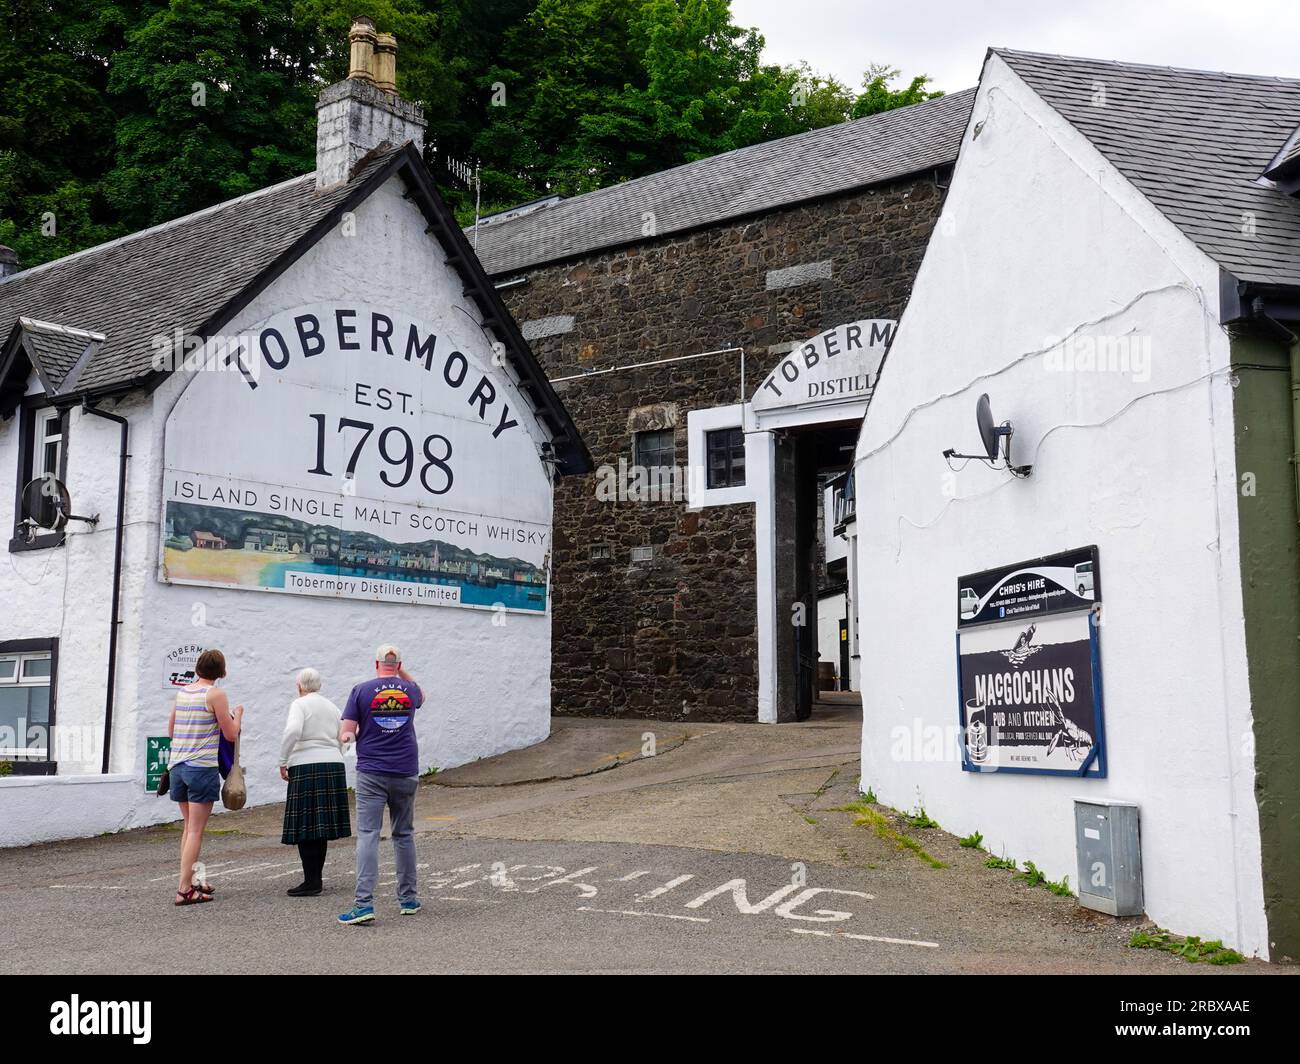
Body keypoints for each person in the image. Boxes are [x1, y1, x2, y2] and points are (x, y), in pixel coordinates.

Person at [336, 644, 423, 925]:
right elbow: (422, 694)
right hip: (406, 769)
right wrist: (399, 671)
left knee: (368, 834)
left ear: (376, 664)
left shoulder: (360, 690)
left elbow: (346, 733)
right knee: (404, 834)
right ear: (398, 665)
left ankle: (364, 905)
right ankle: (408, 899)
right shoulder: (410, 691)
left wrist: (355, 734)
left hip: (372, 771)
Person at [168, 649, 243, 905]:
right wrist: (239, 715)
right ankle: (184, 889)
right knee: (196, 831)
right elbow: (231, 734)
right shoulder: (216, 694)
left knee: (189, 829)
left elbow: (171, 729)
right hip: (201, 767)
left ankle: (191, 882)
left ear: (199, 667)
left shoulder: (182, 692)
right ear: (221, 671)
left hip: (177, 765)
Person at [278, 667, 351, 897]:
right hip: (333, 764)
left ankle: (312, 881)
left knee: (306, 826)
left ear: (299, 686)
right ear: (319, 685)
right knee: (319, 826)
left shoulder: (299, 704)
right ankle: (314, 879)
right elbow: (346, 736)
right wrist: (337, 753)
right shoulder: (332, 706)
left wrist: (283, 759)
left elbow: (292, 731)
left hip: (306, 765)